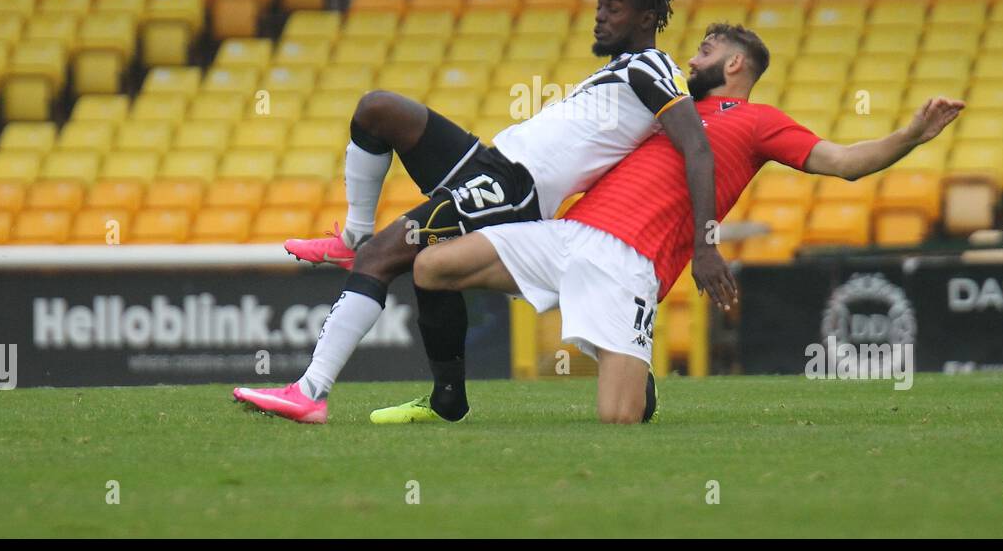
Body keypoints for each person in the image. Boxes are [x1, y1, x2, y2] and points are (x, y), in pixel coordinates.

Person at [234, 0, 736, 424]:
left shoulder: (654, 69)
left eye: (615, 8)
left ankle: (310, 392)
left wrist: (705, 243)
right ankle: (354, 239)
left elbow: (696, 147)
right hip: (490, 161)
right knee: (378, 110)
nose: (601, 17)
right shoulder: (626, 68)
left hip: (511, 188)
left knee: (382, 258)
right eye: (600, 7)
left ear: (648, 18)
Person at [400, 23, 965, 423]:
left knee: (619, 419)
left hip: (629, 267)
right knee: (433, 265)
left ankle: (637, 383)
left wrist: (910, 136)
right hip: (569, 235)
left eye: (705, 51)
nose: (690, 61)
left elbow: (843, 162)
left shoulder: (758, 122)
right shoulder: (661, 104)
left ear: (735, 64)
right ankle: (447, 398)